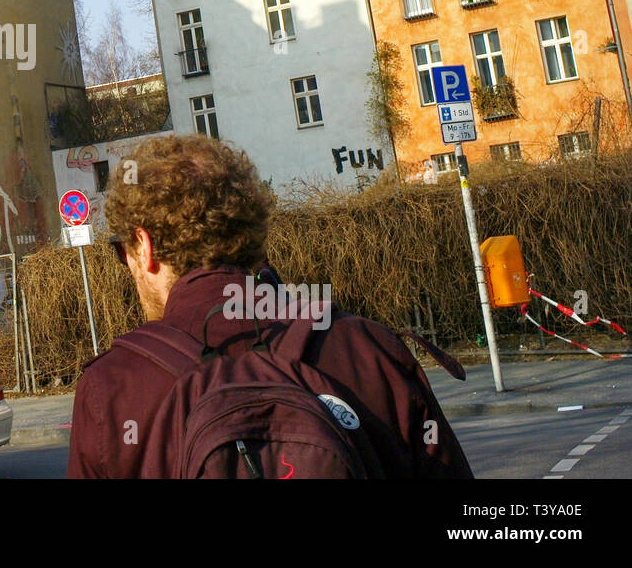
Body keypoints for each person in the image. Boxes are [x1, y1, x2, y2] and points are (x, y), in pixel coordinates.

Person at [68, 134, 472, 479]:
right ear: (252, 235)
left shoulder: (113, 388)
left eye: (123, 252)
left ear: (145, 246)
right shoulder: (368, 349)